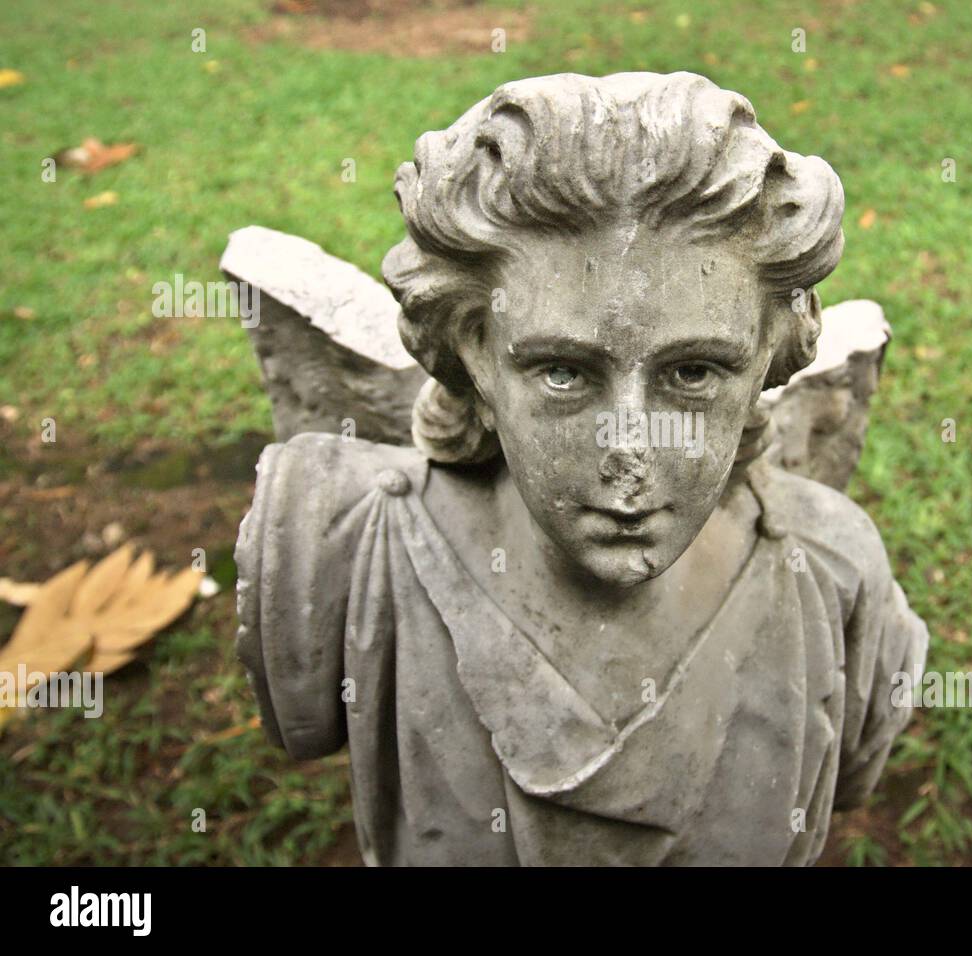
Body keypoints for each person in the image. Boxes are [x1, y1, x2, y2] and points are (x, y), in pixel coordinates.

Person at [236, 71, 928, 865]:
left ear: (769, 357)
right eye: (563, 374)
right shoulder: (340, 550)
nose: (629, 456)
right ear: (473, 357)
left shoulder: (834, 576)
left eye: (694, 373)